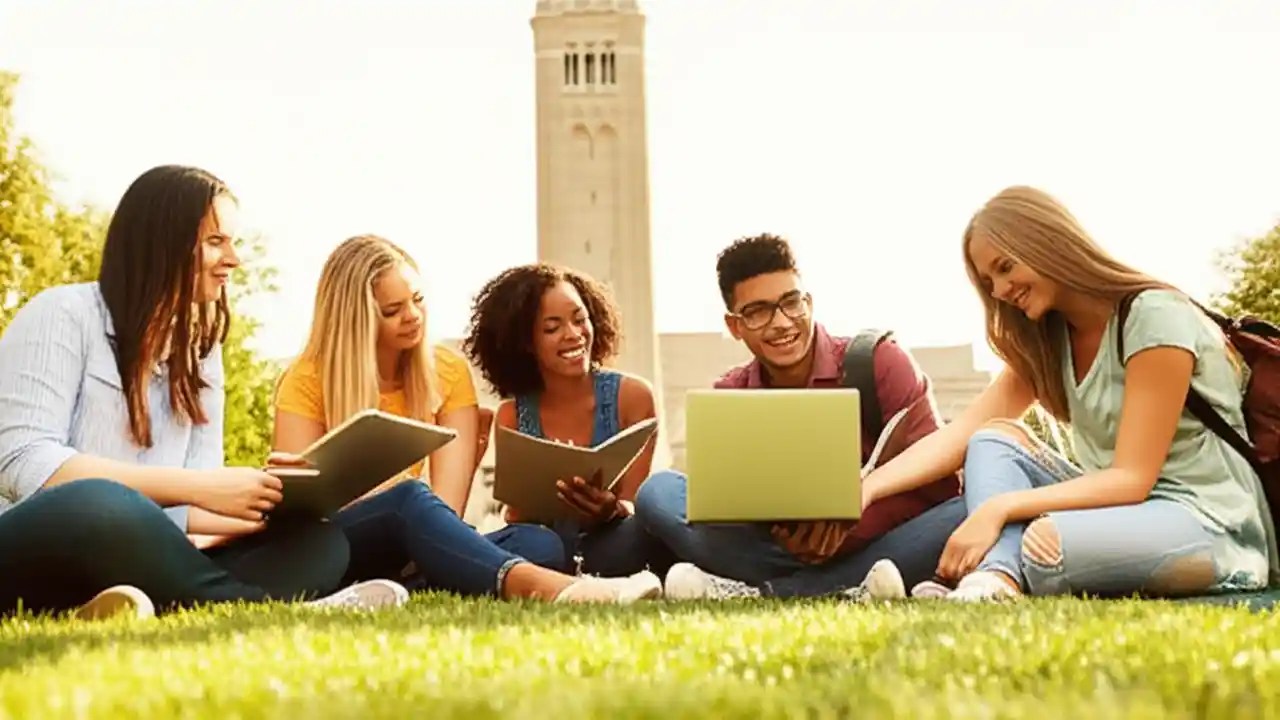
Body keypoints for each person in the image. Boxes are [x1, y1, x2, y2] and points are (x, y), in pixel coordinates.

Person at [0, 165, 406, 621]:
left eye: (232, 242)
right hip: (37, 540)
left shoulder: (201, 355)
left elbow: (187, 512)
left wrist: (264, 496)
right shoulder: (62, 313)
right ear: (162, 242)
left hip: (136, 555)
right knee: (100, 500)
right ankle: (281, 611)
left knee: (317, 540)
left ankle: (109, 607)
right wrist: (198, 488)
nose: (233, 259)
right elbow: (21, 462)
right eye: (216, 241)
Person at [868, 185, 1277, 601]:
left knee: (1047, 545)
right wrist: (865, 489)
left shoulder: (1153, 315)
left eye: (1005, 267)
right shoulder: (1048, 345)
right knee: (990, 438)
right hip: (1123, 513)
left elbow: (1132, 479)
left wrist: (998, 507)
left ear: (1048, 243)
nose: (999, 291)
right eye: (990, 281)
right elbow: (959, 435)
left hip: (1205, 521)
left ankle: (990, 577)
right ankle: (994, 580)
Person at [273, 236, 661, 604]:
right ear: (355, 319)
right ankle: (556, 590)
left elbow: (446, 510)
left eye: (418, 300)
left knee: (539, 545)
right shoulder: (306, 380)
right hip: (336, 543)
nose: (413, 317)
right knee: (406, 499)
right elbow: (304, 512)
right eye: (392, 311)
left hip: (416, 542)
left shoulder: (445, 372)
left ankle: (399, 585)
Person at [633, 233, 967, 600]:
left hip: (882, 541)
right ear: (735, 326)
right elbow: (726, 503)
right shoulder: (731, 395)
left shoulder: (879, 362)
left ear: (808, 302)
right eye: (757, 312)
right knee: (657, 492)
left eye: (791, 303)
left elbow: (938, 480)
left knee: (970, 509)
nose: (781, 323)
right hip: (774, 549)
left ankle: (766, 591)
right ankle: (838, 589)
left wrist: (851, 522)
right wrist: (782, 529)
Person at [461, 263, 674, 578]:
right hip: (544, 545)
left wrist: (611, 509)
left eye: (580, 319)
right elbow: (517, 518)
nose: (573, 335)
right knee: (538, 545)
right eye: (552, 328)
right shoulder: (512, 415)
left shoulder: (633, 396)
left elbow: (634, 503)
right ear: (525, 342)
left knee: (638, 539)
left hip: (613, 539)